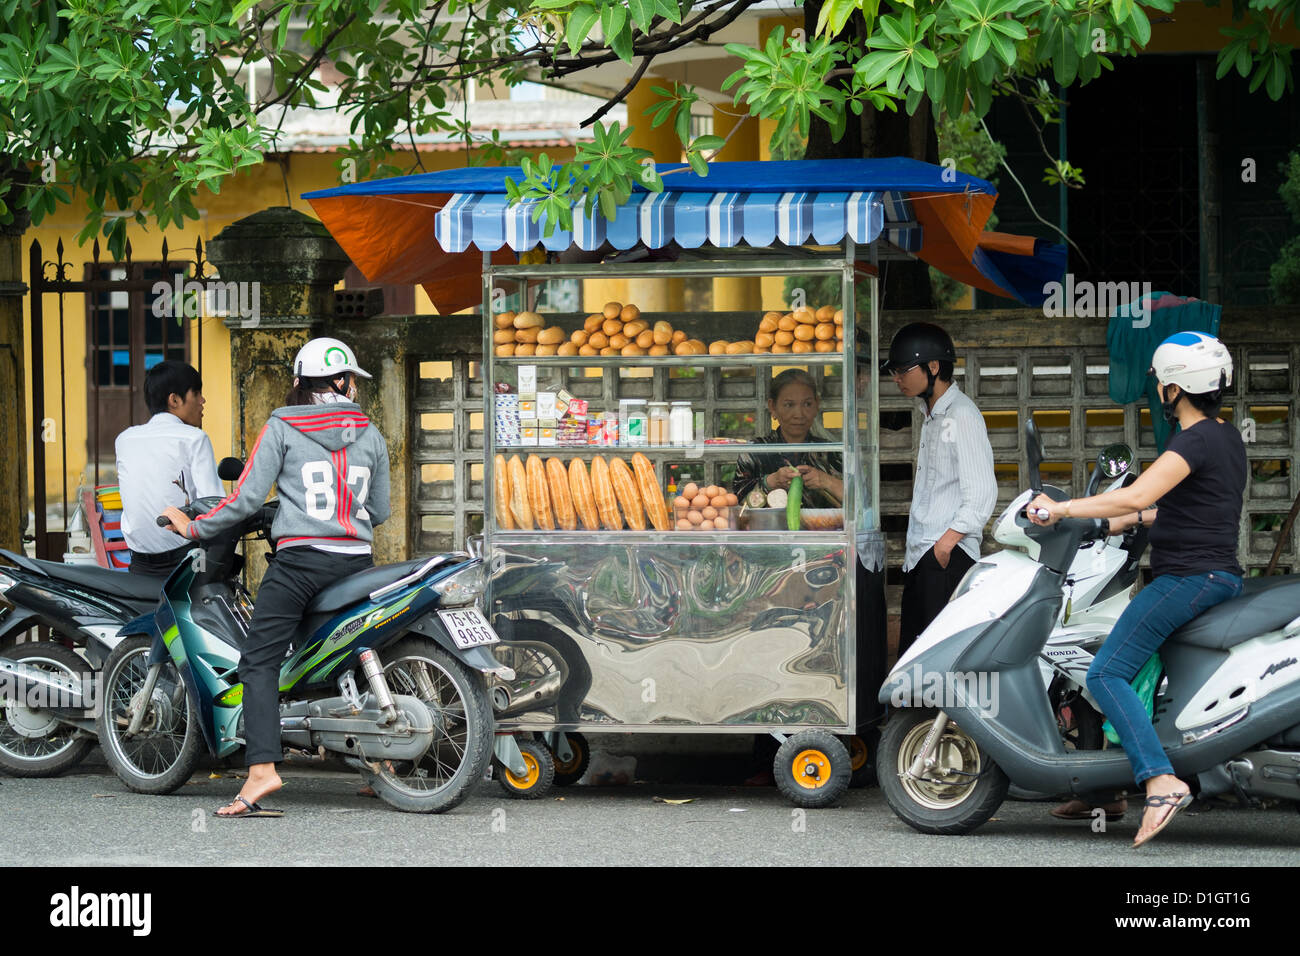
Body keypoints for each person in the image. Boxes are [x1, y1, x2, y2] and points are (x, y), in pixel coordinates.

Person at [1028, 331, 1245, 847]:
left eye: (1161, 384)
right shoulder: (1224, 435)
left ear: (1175, 388)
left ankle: (1159, 780)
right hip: (1212, 574)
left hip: (1189, 579)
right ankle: (1106, 788)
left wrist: (1060, 509)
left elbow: (1139, 493)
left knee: (1105, 673)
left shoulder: (1193, 440)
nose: (1159, 393)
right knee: (1124, 664)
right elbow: (1173, 506)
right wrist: (1112, 524)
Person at [162, 337, 391, 819]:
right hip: (356, 562)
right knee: (357, 649)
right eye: (353, 380)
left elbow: (245, 500)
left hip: (300, 564)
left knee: (259, 661)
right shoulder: (370, 434)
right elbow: (382, 510)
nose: (356, 389)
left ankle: (262, 769)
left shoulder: (281, 427)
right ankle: (385, 760)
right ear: (342, 382)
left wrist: (195, 526)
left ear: (299, 384)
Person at [885, 322, 997, 657]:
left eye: (904, 370)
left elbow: (981, 492)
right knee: (918, 657)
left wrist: (945, 545)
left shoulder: (962, 414)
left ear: (933, 367)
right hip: (924, 555)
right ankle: (922, 713)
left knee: (942, 659)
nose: (897, 379)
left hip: (947, 556)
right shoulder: (932, 414)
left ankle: (944, 713)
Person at [115, 360, 223, 580]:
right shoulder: (194, 438)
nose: (203, 400)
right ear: (174, 399)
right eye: (197, 393)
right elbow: (214, 506)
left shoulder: (125, 440)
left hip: (137, 564)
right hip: (187, 562)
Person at [734, 368, 844, 507]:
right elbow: (737, 504)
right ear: (773, 407)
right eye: (789, 405)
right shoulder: (754, 453)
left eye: (807, 404)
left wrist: (826, 481)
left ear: (817, 404)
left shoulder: (833, 453)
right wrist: (770, 482)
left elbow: (861, 504)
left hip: (826, 528)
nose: (799, 414)